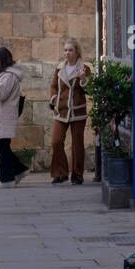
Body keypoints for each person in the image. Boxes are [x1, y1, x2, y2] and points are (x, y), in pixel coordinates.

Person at [48, 38, 91, 186]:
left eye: (70, 50)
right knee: (56, 141)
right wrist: (53, 99)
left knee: (77, 144)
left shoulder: (84, 68)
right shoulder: (59, 68)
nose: (67, 53)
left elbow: (89, 90)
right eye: (65, 50)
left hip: (77, 111)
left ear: (76, 51)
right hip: (60, 111)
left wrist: (83, 79)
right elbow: (53, 86)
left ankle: (77, 175)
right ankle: (61, 173)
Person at [0, 46, 27, 187]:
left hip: (3, 117)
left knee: (3, 148)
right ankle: (19, 170)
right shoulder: (5, 75)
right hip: (0, 116)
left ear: (2, 59)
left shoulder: (9, 76)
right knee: (1, 148)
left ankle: (7, 179)